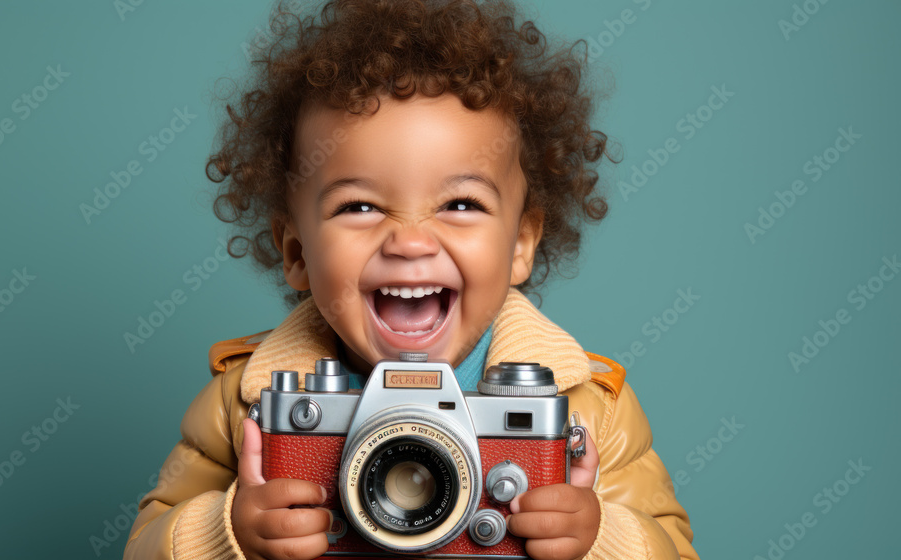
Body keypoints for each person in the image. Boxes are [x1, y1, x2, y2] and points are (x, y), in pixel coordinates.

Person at [123, 1, 698, 558]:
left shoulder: (585, 409)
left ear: (521, 244)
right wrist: (228, 533)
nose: (411, 241)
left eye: (461, 204)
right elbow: (144, 545)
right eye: (359, 207)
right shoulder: (247, 403)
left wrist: (598, 540)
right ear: (296, 252)